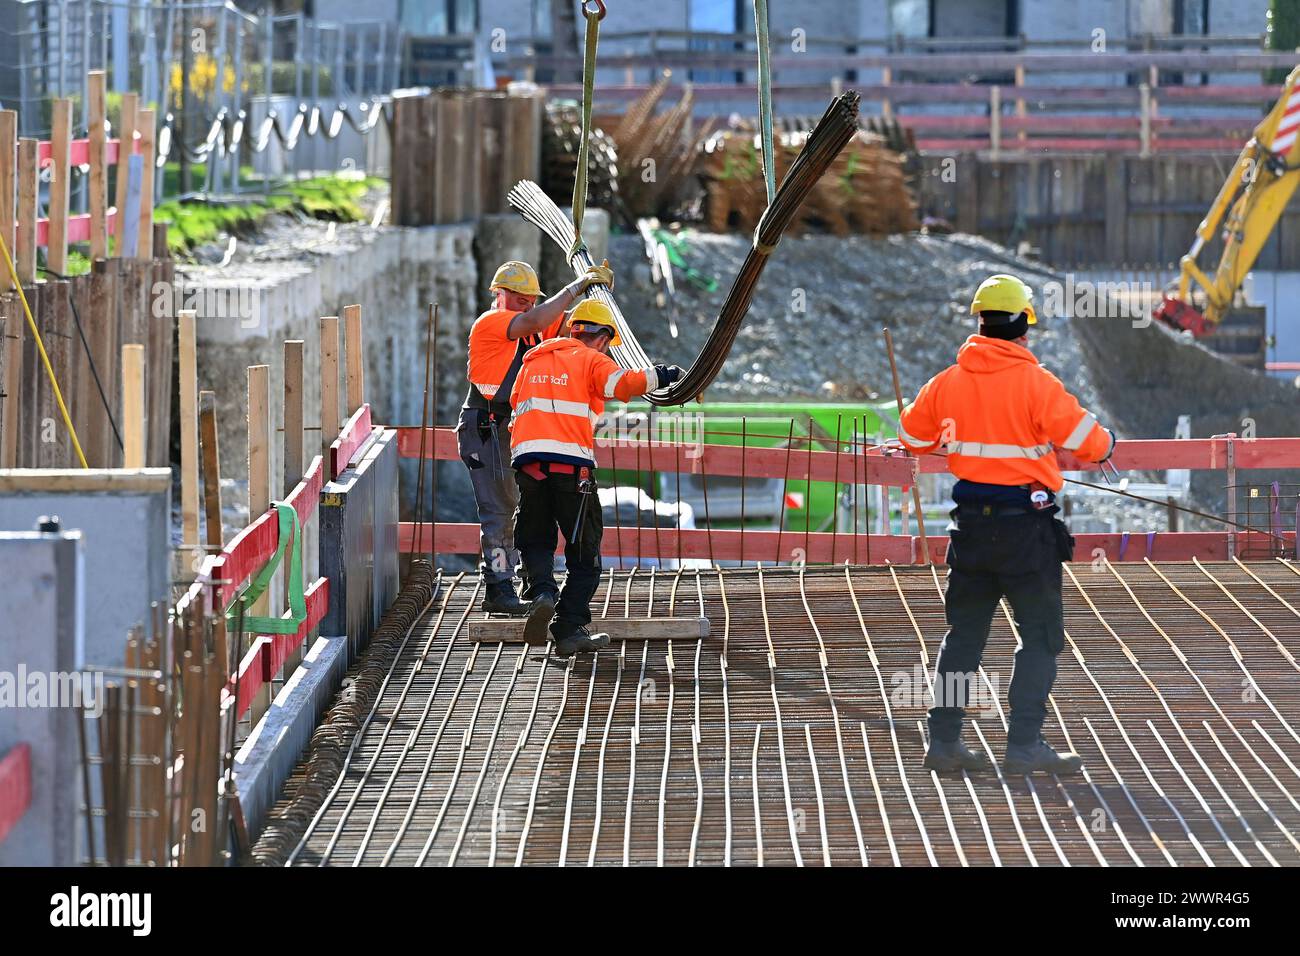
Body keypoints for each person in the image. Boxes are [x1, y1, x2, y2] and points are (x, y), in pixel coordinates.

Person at [897, 273, 1115, 775]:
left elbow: (910, 435)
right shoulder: (1037, 384)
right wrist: (1109, 443)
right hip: (1025, 532)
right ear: (1023, 325)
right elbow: (1092, 443)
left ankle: (944, 743)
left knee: (964, 637)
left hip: (969, 530)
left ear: (980, 322)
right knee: (1039, 636)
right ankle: (1023, 746)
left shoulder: (947, 382)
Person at [508, 299, 683, 657]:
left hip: (527, 464)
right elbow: (624, 384)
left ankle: (541, 592)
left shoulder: (534, 360)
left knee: (535, 537)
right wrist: (664, 375)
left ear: (573, 329)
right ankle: (569, 627)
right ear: (603, 338)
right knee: (584, 554)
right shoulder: (592, 359)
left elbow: (514, 401)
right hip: (572, 468)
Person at [458, 258, 614, 615]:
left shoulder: (535, 332)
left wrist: (594, 290)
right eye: (518, 297)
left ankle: (532, 580)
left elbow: (566, 321)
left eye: (530, 298)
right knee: (498, 511)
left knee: (524, 507)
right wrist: (577, 285)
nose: (526, 303)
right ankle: (498, 586)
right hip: (485, 425)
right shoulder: (492, 323)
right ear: (500, 294)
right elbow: (539, 318)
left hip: (513, 428)